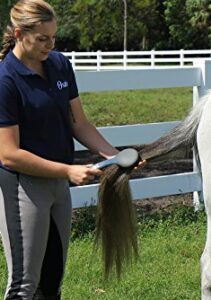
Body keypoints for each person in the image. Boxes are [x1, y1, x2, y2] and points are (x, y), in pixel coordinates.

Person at [0, 0, 145, 299]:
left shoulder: (59, 64)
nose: (50, 45)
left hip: (57, 187)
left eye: (53, 37)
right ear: (18, 34)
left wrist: (114, 155)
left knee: (52, 280)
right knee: (24, 284)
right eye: (42, 39)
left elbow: (79, 123)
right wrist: (67, 170)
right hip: (23, 187)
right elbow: (8, 153)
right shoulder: (5, 80)